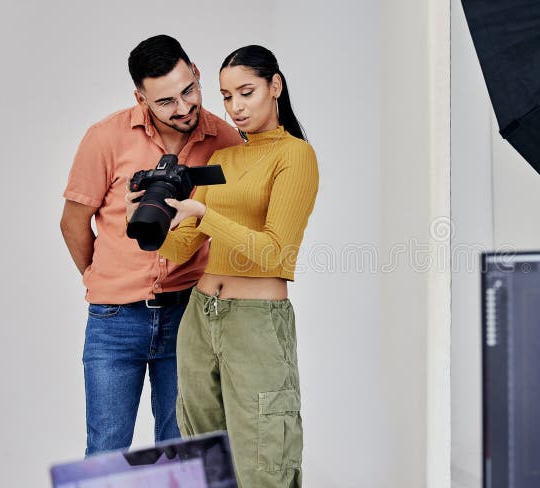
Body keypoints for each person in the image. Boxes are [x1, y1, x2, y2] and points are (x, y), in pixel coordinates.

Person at [126, 45, 318, 487]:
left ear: (275, 86)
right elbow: (182, 249)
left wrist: (202, 213)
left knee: (263, 461)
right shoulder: (222, 159)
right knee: (202, 461)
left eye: (246, 92)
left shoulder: (295, 156)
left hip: (256, 323)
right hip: (200, 316)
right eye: (227, 97)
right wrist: (147, 218)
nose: (235, 108)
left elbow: (275, 253)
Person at [60, 34, 243, 456]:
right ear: (141, 97)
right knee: (106, 449)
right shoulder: (105, 137)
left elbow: (237, 225)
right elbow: (73, 222)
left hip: (188, 317)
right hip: (113, 319)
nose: (183, 108)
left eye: (188, 91)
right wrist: (103, 278)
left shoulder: (227, 143)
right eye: (165, 102)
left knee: (182, 451)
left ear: (196, 73)